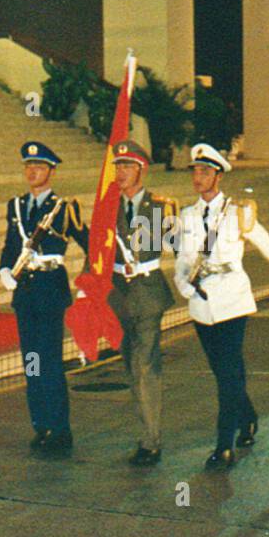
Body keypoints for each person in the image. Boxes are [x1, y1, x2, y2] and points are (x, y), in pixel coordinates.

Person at [174, 143, 269, 469]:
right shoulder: (185, 216)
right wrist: (183, 285)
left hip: (231, 301)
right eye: (195, 172)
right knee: (226, 371)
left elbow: (264, 240)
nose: (198, 178)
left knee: (227, 374)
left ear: (218, 175)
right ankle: (249, 416)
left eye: (205, 172)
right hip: (201, 304)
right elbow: (183, 260)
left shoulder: (237, 213)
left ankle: (223, 445)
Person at [0, 141, 88, 456]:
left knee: (49, 361)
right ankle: (41, 425)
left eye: (38, 166)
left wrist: (91, 280)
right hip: (25, 294)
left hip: (50, 289)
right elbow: (10, 245)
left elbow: (89, 243)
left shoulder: (64, 208)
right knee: (31, 362)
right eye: (27, 166)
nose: (32, 171)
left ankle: (60, 428)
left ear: (51, 170)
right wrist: (4, 270)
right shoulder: (16, 206)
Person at [106, 140, 180, 467]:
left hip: (149, 291)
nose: (121, 173)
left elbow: (182, 247)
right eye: (118, 166)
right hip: (119, 293)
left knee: (146, 364)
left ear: (141, 169)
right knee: (130, 365)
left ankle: (151, 440)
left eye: (127, 166)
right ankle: (146, 432)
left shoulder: (161, 207)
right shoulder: (108, 208)